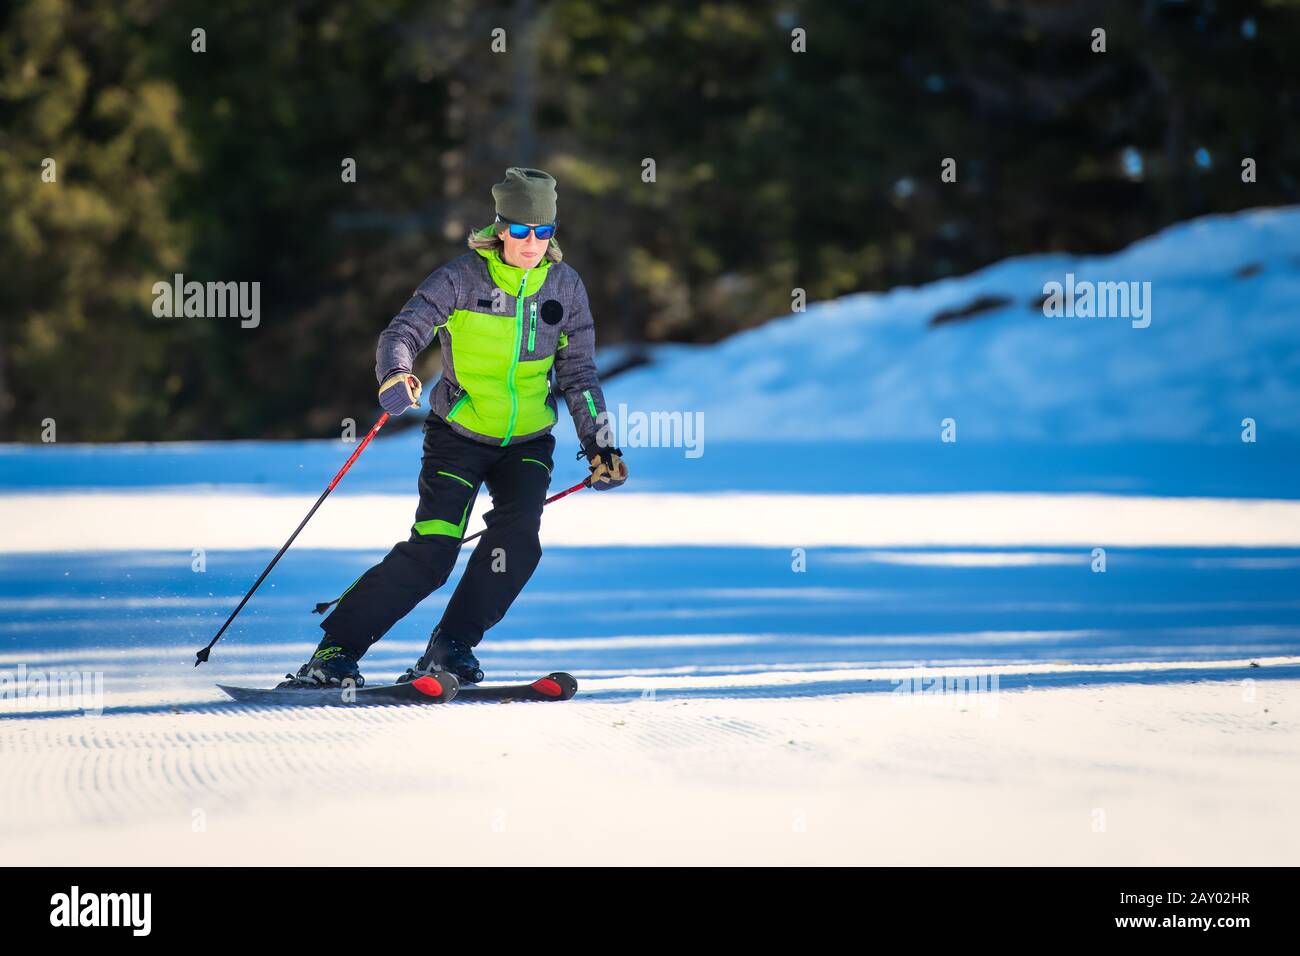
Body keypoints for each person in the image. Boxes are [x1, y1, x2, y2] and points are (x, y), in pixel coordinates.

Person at [285, 167, 627, 688]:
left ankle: (449, 649)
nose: (532, 243)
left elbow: (578, 374)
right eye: (521, 230)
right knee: (433, 550)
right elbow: (402, 331)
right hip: (458, 437)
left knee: (517, 544)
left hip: (528, 441)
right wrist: (396, 374)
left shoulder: (565, 287)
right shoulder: (461, 277)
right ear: (500, 226)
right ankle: (334, 652)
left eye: (544, 232)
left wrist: (600, 445)